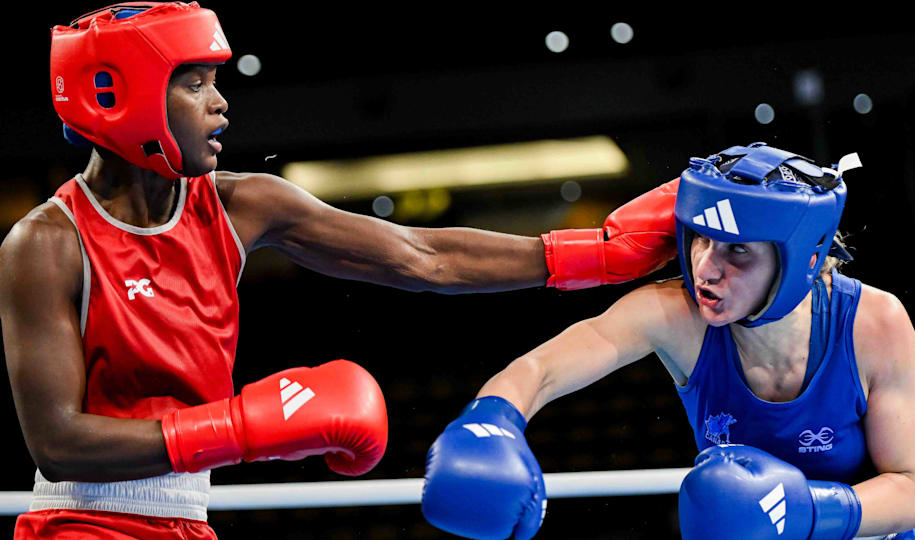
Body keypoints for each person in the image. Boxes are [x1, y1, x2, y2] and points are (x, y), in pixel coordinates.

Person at [0, 2, 679, 538]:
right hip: (78, 525)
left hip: (186, 518)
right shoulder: (47, 244)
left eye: (217, 81)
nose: (220, 102)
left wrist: (594, 254)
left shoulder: (241, 205)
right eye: (194, 82)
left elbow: (422, 256)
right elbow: (58, 442)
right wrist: (243, 428)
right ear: (119, 93)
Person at [421, 143, 915, 539]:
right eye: (701, 240)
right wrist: (492, 419)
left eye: (737, 251)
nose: (705, 269)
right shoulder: (675, 315)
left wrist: (803, 511)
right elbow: (541, 369)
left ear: (803, 260)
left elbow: (910, 490)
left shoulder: (872, 323)